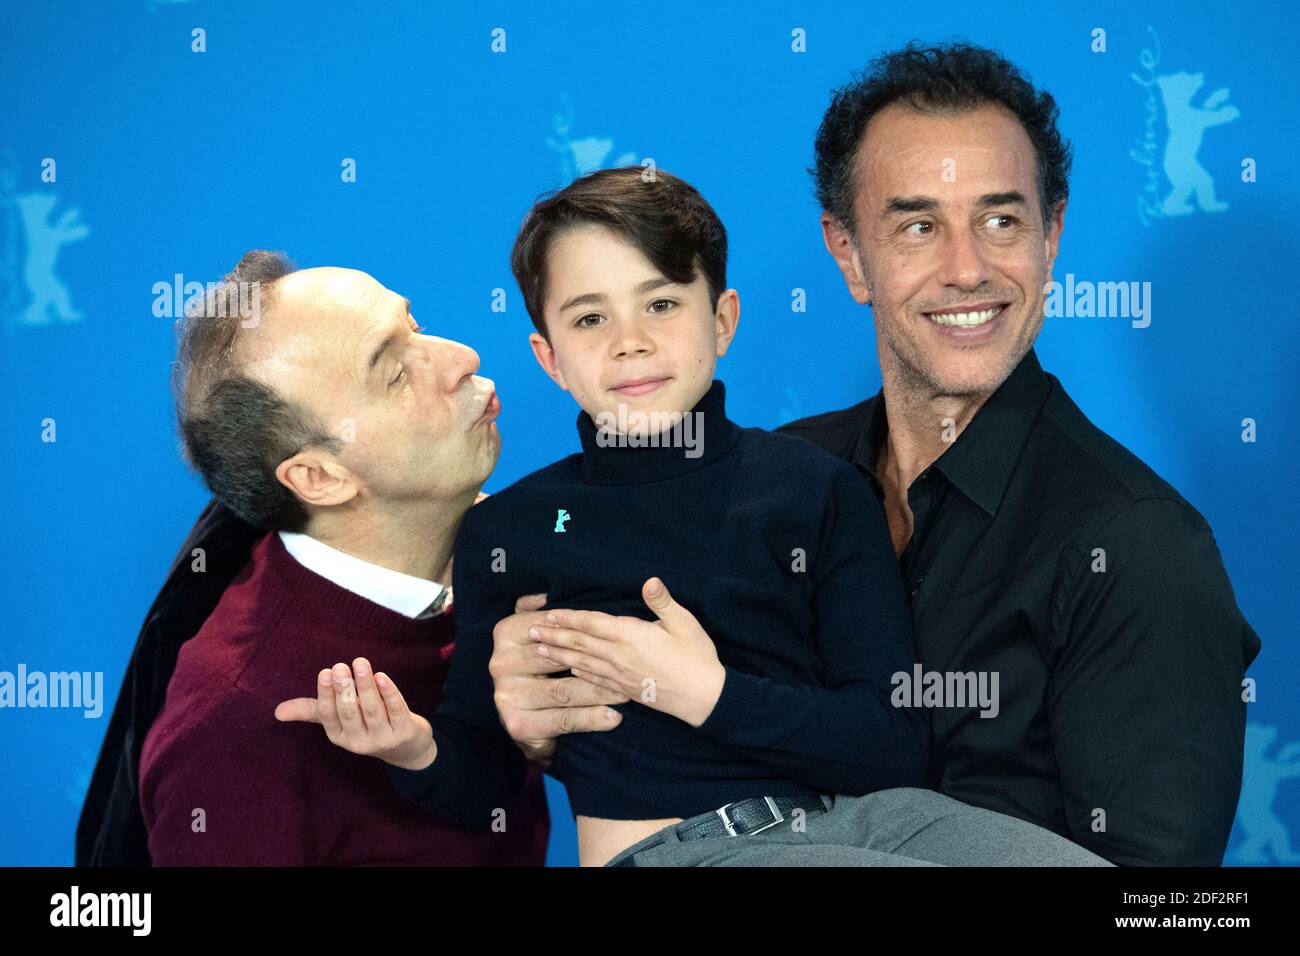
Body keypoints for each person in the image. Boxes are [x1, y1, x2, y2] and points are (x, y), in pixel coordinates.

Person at [481, 43, 1262, 867]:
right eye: (919, 226)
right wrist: (536, 716)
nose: (968, 269)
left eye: (1002, 221)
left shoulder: (1140, 547)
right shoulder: (780, 477)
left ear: (1051, 237)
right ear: (849, 254)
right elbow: (660, 726)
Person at [277, 166, 1112, 868]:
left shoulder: (819, 490)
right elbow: (489, 775)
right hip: (669, 850)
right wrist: (414, 750)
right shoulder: (514, 530)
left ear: (723, 321)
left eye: (662, 304)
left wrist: (701, 691)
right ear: (550, 358)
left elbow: (891, 743)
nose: (630, 341)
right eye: (591, 317)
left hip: (860, 826)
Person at [134, 251, 549, 865]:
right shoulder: (232, 729)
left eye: (417, 325)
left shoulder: (527, 555)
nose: (463, 357)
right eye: (394, 373)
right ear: (320, 478)